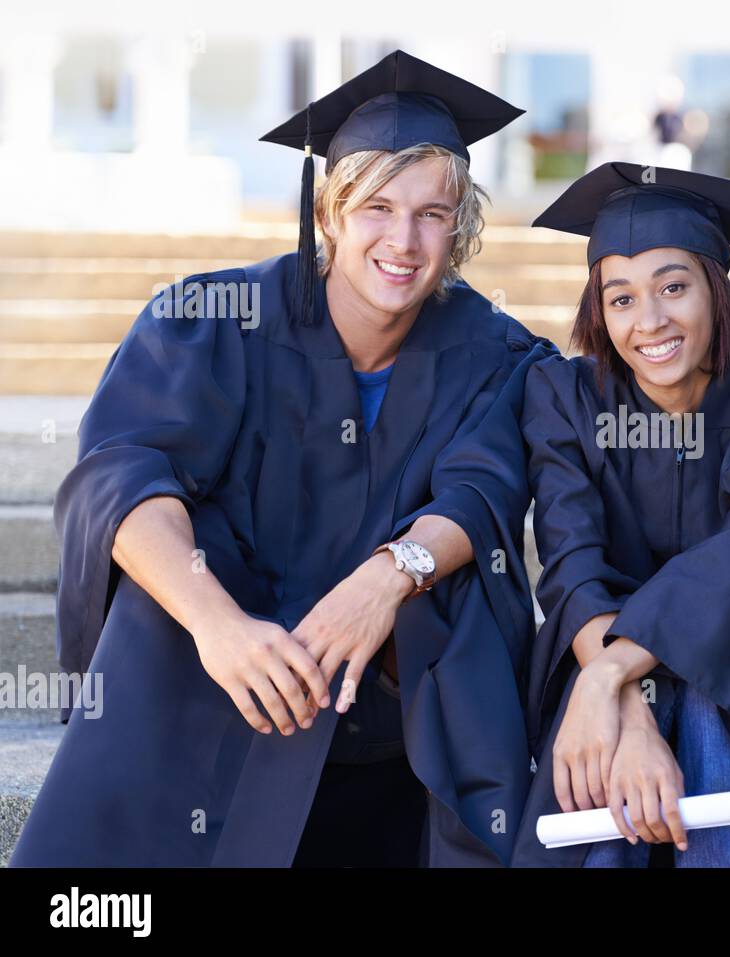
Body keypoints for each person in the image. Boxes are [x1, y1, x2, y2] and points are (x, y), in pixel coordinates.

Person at [11, 50, 555, 867]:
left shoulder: (495, 352)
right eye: (377, 206)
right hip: (218, 683)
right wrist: (218, 625)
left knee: (460, 592)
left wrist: (388, 578)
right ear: (330, 211)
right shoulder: (212, 320)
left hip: (383, 706)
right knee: (175, 569)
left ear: (461, 224)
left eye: (433, 213)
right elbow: (121, 474)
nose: (404, 241)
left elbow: (484, 489)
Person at [510, 162, 730, 867]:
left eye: (674, 287)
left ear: (716, 287)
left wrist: (608, 676)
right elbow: (572, 562)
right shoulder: (563, 393)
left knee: (708, 715)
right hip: (596, 651)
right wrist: (617, 694)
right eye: (620, 299)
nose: (649, 322)